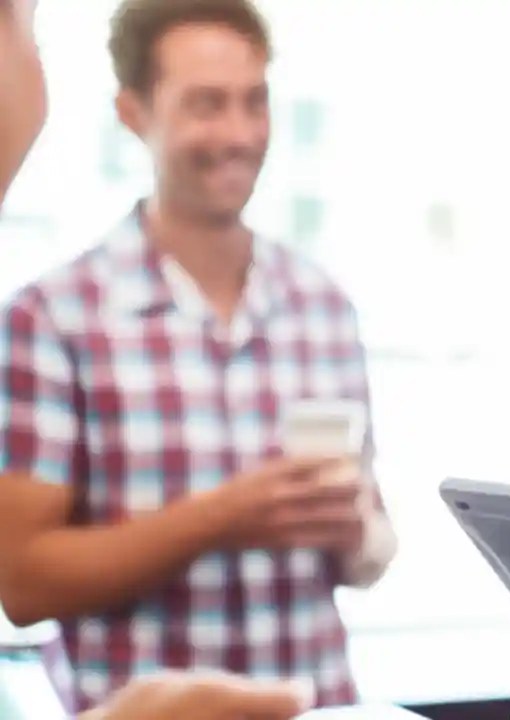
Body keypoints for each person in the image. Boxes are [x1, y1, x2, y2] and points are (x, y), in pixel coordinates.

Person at [0, 0, 396, 712]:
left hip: (318, 708)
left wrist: (354, 533)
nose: (239, 133)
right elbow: (23, 584)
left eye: (255, 101)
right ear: (133, 112)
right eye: (206, 105)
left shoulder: (323, 305)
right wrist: (223, 517)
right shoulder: (52, 317)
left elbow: (371, 552)